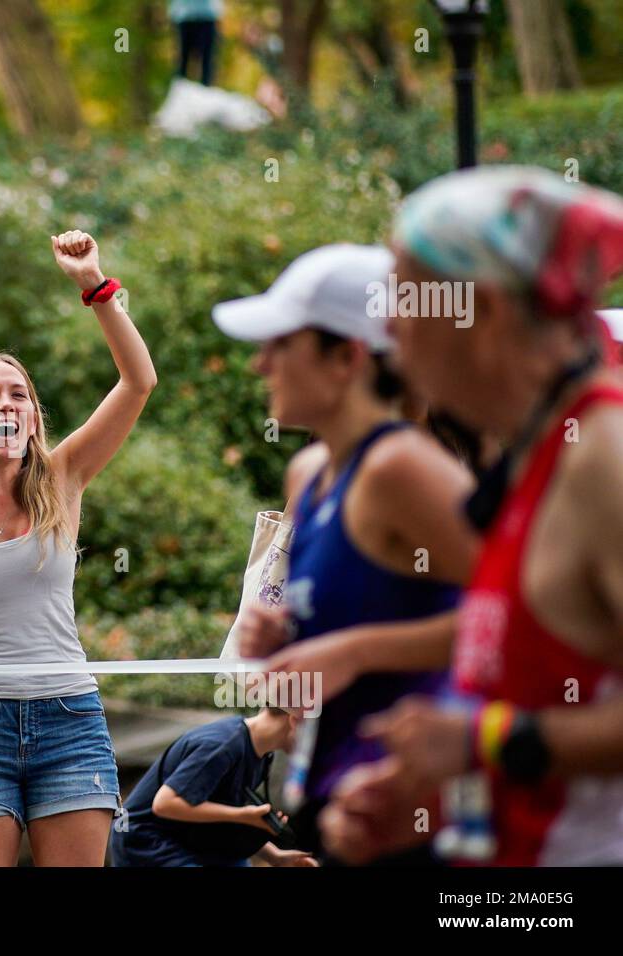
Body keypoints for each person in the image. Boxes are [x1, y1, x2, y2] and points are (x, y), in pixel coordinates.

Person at [319, 167, 623, 867]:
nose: (390, 327)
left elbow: (509, 736)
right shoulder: (536, 452)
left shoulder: (601, 455)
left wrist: (478, 743)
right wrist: (427, 805)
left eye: (403, 295)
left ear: (478, 311)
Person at [0, 229, 156, 867]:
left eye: (19, 395)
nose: (7, 403)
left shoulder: (64, 479)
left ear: (35, 418)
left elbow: (139, 381)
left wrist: (95, 287)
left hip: (69, 718)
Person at [216, 244, 477, 857]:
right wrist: (292, 640)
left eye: (280, 344)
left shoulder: (404, 469)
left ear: (347, 357)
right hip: (344, 803)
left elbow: (523, 617)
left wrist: (354, 650)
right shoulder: (309, 474)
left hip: (422, 809)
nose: (260, 364)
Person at [110, 709, 316, 867]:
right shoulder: (222, 745)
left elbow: (219, 810)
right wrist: (242, 815)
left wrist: (274, 856)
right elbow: (165, 804)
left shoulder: (260, 752)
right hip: (146, 842)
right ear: (295, 720)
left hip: (191, 838)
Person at [170, 0, 222, 87]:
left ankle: (206, 90)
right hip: (185, 14)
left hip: (206, 15)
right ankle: (179, 89)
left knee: (207, 61)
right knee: (182, 60)